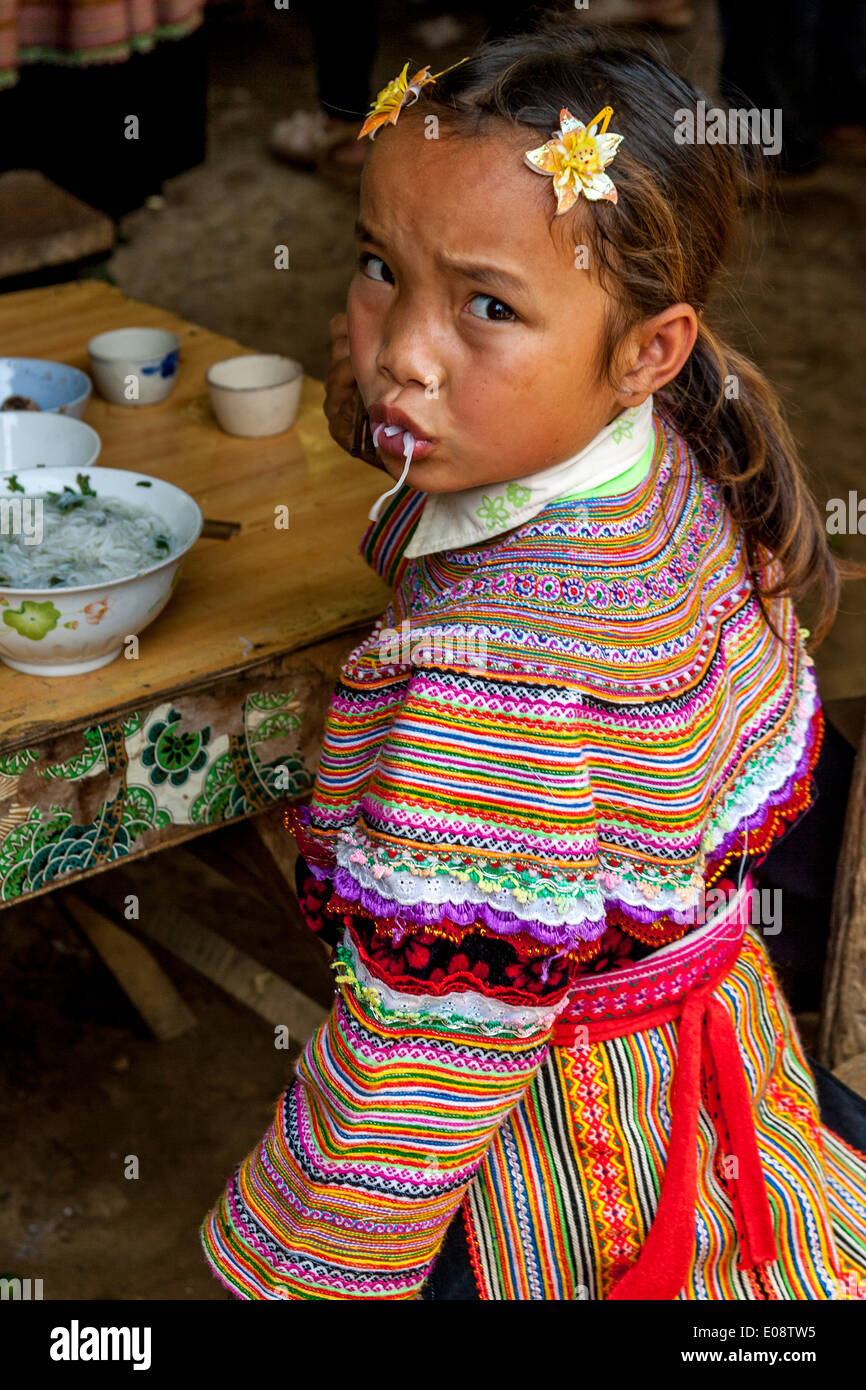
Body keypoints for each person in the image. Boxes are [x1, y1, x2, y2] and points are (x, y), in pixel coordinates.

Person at [201, 15, 866, 1300]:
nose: (401, 348)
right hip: (710, 1031)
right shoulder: (673, 435)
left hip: (565, 1135)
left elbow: (431, 1048)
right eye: (377, 265)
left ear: (643, 349)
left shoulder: (488, 679)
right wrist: (441, 347)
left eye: (486, 304)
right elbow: (428, 370)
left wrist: (305, 1279)